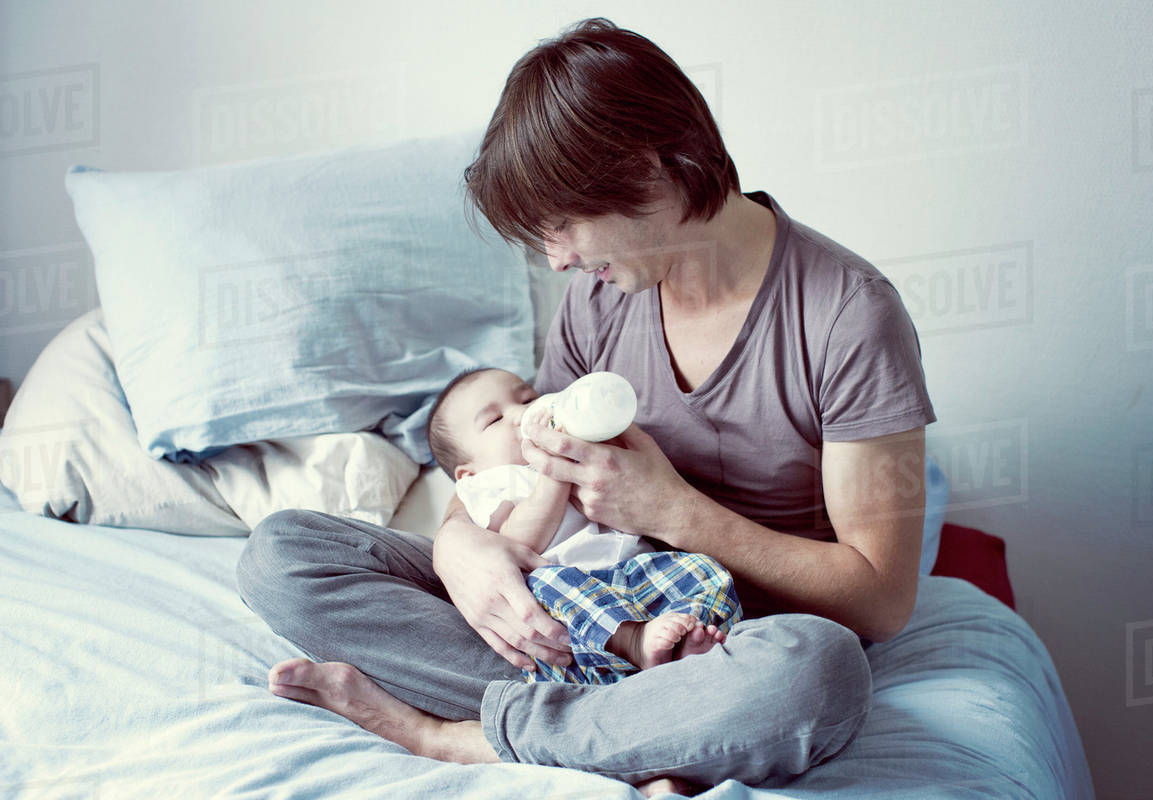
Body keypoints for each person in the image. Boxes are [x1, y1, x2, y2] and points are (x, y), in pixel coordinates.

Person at [236, 17, 933, 796]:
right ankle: (636, 729)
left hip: (725, 639)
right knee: (285, 553)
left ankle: (462, 736)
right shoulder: (596, 302)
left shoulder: (847, 314)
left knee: (818, 675)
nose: (558, 258)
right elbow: (521, 466)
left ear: (647, 170)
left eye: (561, 225)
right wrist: (458, 551)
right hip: (576, 605)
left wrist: (676, 512)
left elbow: (881, 599)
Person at [426, 365, 743, 684]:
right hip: (572, 600)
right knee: (544, 584)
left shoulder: (577, 445)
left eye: (527, 399)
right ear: (467, 473)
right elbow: (519, 541)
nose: (522, 415)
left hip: (637, 572)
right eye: (494, 420)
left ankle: (690, 635)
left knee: (701, 570)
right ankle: (633, 641)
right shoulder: (489, 484)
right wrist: (553, 471)